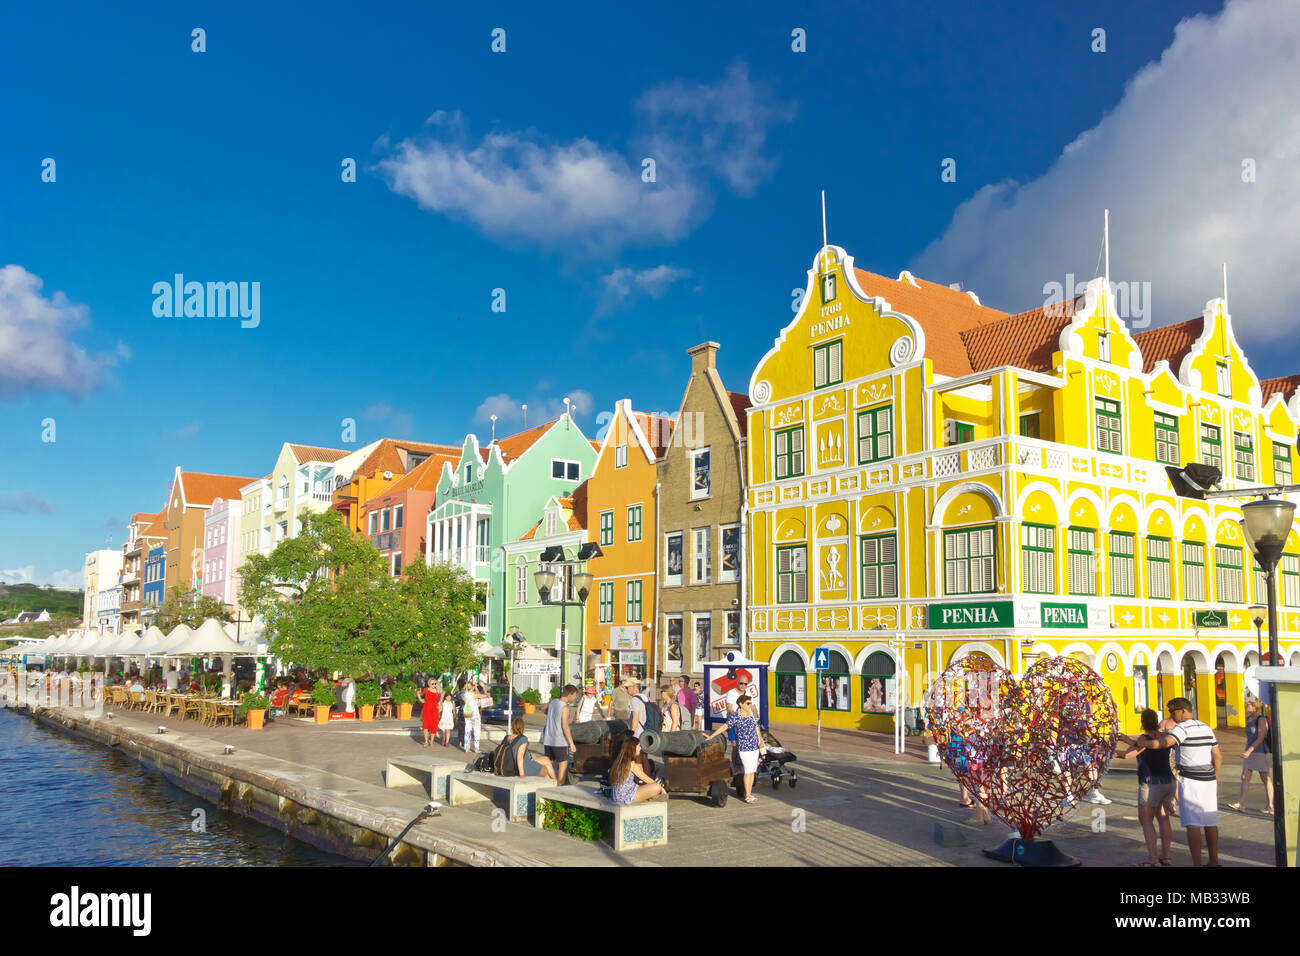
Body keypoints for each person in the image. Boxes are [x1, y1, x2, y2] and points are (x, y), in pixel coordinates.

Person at [1122, 697, 1221, 866]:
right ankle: (1213, 862)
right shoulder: (1206, 728)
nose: (1171, 716)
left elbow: (1163, 743)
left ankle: (1197, 863)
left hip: (1191, 780)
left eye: (1173, 712)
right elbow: (1217, 757)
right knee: (1210, 822)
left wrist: (1136, 742)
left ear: (1183, 711)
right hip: (1209, 780)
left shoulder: (1182, 728)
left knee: (1193, 825)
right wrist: (1214, 778)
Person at [1116, 708, 1175, 866]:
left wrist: (1110, 751)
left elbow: (1128, 754)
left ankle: (1153, 859)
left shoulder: (1144, 738)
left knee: (1146, 820)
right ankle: (1166, 856)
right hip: (1168, 781)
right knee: (1163, 818)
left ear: (1142, 722)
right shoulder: (1165, 736)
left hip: (1151, 783)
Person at [705, 694, 765, 803]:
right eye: (747, 703)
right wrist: (712, 736)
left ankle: (749, 793)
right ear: (741, 704)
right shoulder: (736, 716)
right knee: (747, 771)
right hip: (744, 748)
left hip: (754, 746)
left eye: (750, 703)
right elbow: (725, 726)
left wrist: (761, 741)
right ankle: (747, 795)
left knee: (752, 771)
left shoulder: (751, 714)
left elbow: (757, 728)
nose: (749, 705)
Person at [1228, 698, 1274, 814]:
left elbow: (1261, 737)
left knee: (1265, 778)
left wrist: (1249, 750)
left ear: (1255, 706)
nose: (1246, 705)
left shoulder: (1261, 719)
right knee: (1244, 777)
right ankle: (1241, 803)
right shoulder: (1249, 719)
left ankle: (1271, 806)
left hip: (1260, 752)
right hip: (1250, 751)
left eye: (1249, 704)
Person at [608, 737, 664, 805]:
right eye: (639, 746)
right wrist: (661, 788)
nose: (640, 748)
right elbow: (646, 778)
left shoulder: (622, 760)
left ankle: (652, 796)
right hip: (624, 797)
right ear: (633, 748)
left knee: (652, 789)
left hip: (617, 795)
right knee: (656, 787)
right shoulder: (631, 764)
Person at [543, 684, 579, 785]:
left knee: (548, 765)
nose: (575, 697)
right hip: (559, 741)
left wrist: (550, 713)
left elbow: (542, 709)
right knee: (562, 768)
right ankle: (559, 790)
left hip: (548, 740)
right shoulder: (565, 708)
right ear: (570, 695)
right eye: (575, 695)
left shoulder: (553, 701)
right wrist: (571, 743)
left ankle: (544, 788)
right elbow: (565, 727)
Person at [459, 678, 484, 753]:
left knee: (467, 731)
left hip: (467, 713)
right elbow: (484, 695)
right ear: (472, 688)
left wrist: (473, 687)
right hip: (475, 714)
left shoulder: (464, 694)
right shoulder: (474, 695)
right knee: (476, 731)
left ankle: (467, 748)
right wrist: (482, 687)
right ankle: (476, 749)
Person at [420, 678, 441, 748]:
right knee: (425, 725)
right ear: (429, 684)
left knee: (433, 726)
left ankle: (431, 741)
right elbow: (420, 696)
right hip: (426, 710)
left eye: (435, 684)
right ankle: (426, 741)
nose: (434, 685)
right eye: (432, 684)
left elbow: (438, 702)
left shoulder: (438, 692)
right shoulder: (426, 690)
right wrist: (419, 697)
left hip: (434, 710)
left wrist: (440, 710)